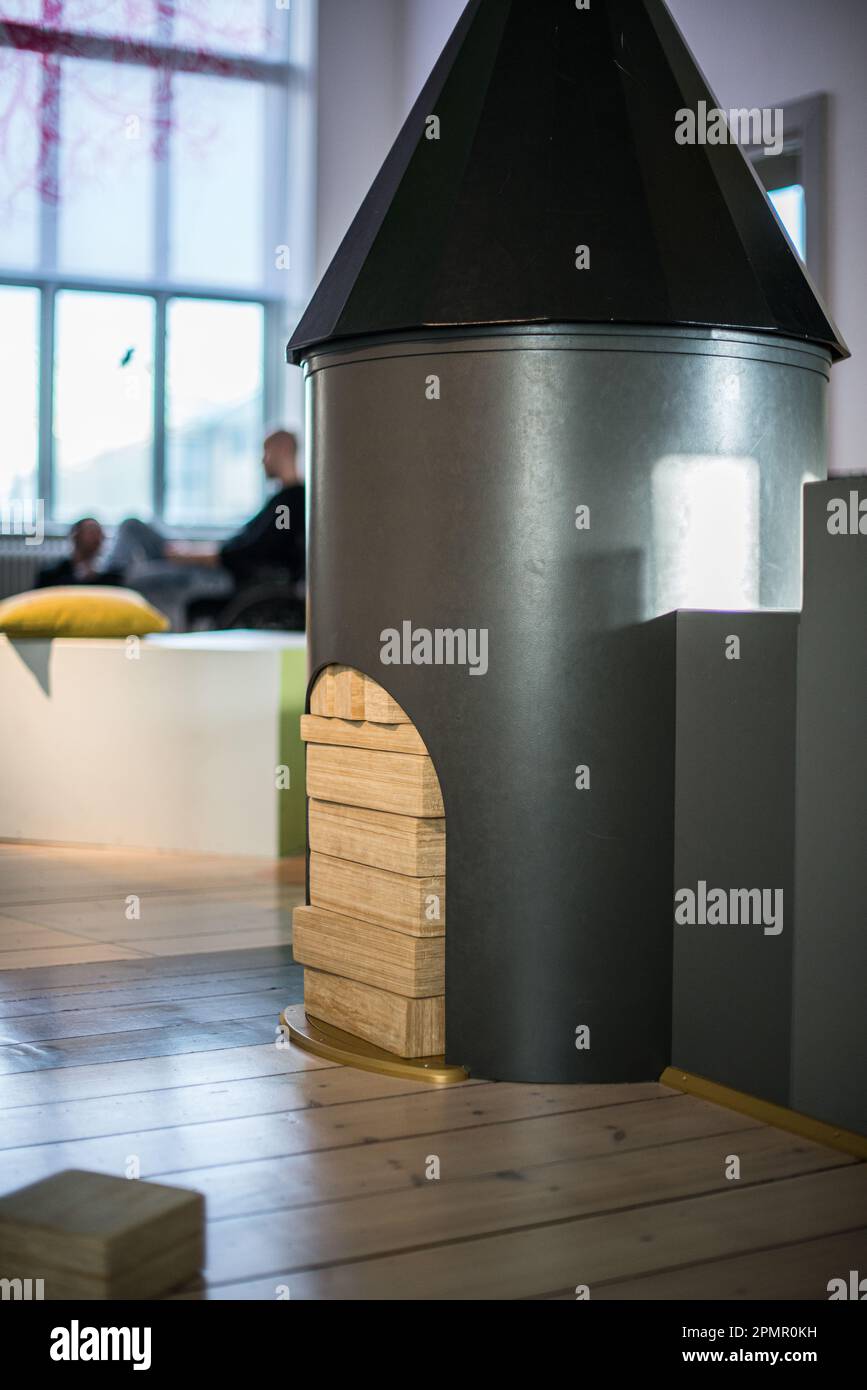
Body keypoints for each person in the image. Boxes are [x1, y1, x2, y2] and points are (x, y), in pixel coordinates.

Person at [36, 518, 124, 588]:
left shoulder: (112, 577)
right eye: (92, 532)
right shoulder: (50, 575)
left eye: (100, 533)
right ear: (75, 537)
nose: (98, 537)